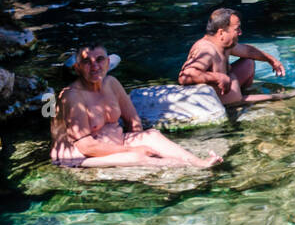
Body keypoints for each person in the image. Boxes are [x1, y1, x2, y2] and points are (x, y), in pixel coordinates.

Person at [51, 44, 222, 168]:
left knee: (152, 136)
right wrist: (132, 149)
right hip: (79, 157)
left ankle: (199, 163)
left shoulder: (111, 83)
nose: (95, 66)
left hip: (114, 143)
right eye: (87, 62)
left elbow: (133, 120)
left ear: (108, 63)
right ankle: (187, 168)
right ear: (78, 68)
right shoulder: (73, 96)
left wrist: (142, 142)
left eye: (100, 60)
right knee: (135, 157)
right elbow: (85, 146)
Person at [178, 8, 295, 106]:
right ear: (221, 32)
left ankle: (245, 92)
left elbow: (248, 51)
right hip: (224, 102)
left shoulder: (224, 44)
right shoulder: (206, 49)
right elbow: (185, 76)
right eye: (236, 29)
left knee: (248, 62)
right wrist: (217, 77)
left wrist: (271, 59)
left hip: (231, 91)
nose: (240, 32)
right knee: (285, 96)